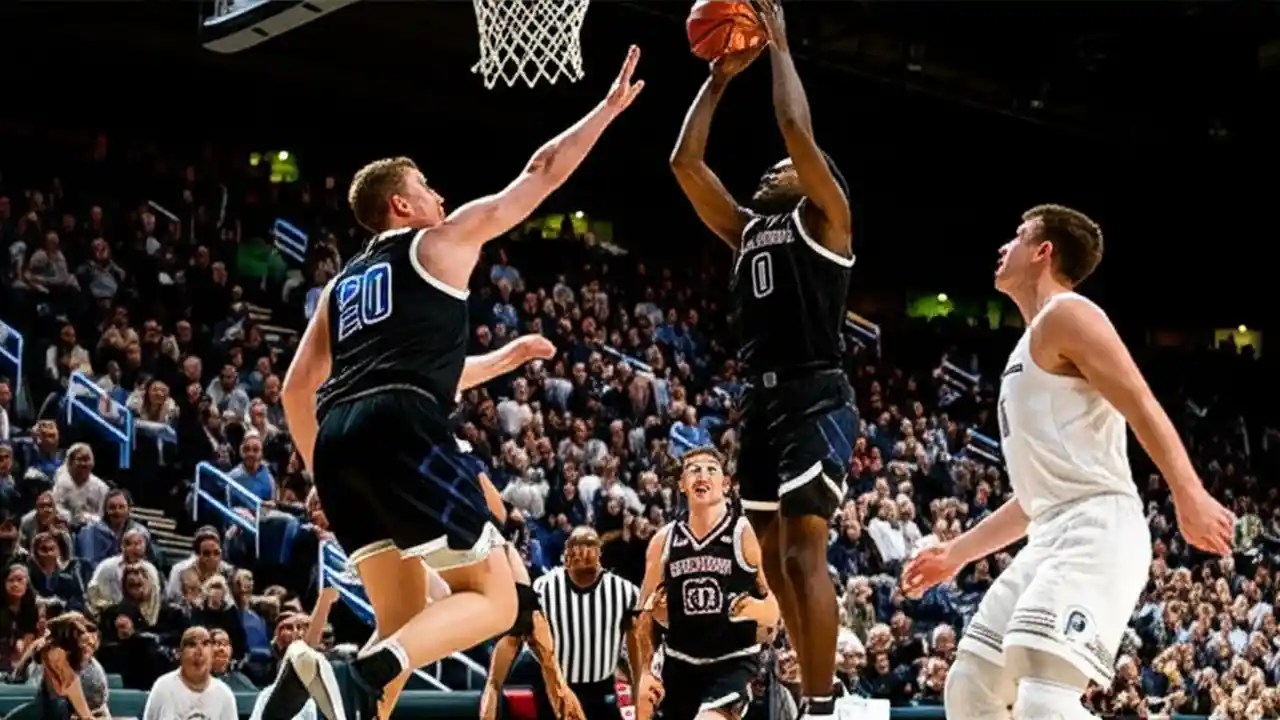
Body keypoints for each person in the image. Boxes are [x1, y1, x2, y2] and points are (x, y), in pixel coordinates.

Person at [272, 45, 644, 720]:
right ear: (402, 204)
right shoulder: (436, 244)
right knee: (498, 598)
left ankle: (317, 685)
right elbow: (539, 173)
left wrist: (321, 475)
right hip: (401, 429)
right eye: (428, 187)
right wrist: (607, 110)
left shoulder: (340, 286)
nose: (440, 194)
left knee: (407, 618)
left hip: (338, 442)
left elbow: (297, 392)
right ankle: (352, 672)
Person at [901, 204, 1236, 720]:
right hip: (1051, 532)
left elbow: (1141, 401)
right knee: (970, 686)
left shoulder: (1069, 313)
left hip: (1097, 527)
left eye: (1016, 236)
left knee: (1044, 696)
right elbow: (1035, 499)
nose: (1003, 247)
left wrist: (1187, 492)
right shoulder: (1024, 348)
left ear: (1043, 251)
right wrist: (958, 553)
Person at [669, 2, 854, 717]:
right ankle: (811, 690)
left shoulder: (828, 219)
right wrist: (716, 80)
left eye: (786, 168)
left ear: (811, 179)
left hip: (815, 391)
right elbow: (684, 163)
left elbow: (794, 128)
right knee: (776, 563)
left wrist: (778, 43)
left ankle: (821, 704)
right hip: (761, 400)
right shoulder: (746, 229)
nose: (774, 167)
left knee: (806, 553)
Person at [635, 447, 779, 720]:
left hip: (733, 662)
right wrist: (644, 671)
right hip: (679, 662)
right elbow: (643, 612)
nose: (702, 476)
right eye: (694, 470)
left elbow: (775, 603)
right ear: (681, 484)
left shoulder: (746, 534)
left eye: (711, 469)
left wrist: (762, 611)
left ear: (725, 484)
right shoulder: (663, 541)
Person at [531, 526, 642, 720]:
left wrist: (638, 685)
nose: (582, 551)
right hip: (555, 686)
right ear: (566, 552)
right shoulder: (543, 588)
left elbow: (634, 643)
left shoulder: (624, 591)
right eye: (575, 545)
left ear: (599, 551)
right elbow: (532, 639)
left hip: (600, 690)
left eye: (589, 544)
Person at [144, 626, 239, 720]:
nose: (199, 651)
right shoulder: (163, 688)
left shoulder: (224, 695)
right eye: (192, 644)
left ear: (211, 655)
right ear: (180, 654)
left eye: (205, 643)